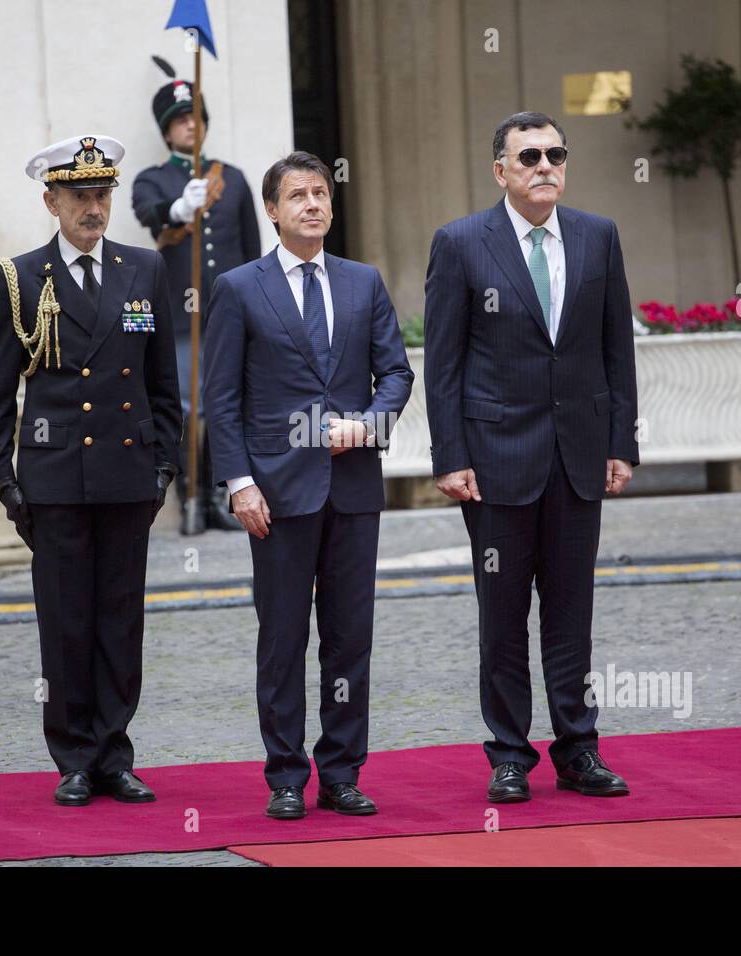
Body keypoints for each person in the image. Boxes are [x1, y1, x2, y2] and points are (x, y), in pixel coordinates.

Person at [423, 111, 640, 803]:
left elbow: (616, 351)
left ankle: (578, 749)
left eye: (555, 154)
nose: (545, 166)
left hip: (579, 457)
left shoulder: (597, 236)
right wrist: (449, 455)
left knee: (572, 612)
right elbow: (444, 363)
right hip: (494, 462)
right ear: (502, 171)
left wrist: (620, 441)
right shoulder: (460, 244)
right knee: (503, 615)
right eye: (530, 157)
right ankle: (510, 755)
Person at [203, 152, 413, 819]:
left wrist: (371, 424)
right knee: (283, 637)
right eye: (298, 195)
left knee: (350, 637)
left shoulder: (363, 283)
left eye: (321, 193)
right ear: (272, 210)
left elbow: (397, 374)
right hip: (278, 493)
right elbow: (221, 397)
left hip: (352, 490)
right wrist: (239, 484)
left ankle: (342, 772)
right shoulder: (239, 288)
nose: (313, 205)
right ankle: (286, 776)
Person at [0, 134, 182, 807]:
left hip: (126, 476)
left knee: (121, 619)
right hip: (56, 476)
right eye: (79, 196)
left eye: (102, 194)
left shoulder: (144, 269)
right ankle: (72, 756)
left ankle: (115, 754)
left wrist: (163, 468)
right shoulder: (20, 278)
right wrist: (3, 480)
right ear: (51, 201)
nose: (94, 207)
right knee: (66, 621)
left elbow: (162, 382)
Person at [132, 59, 262, 533]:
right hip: (177, 314)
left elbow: (252, 252)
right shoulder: (152, 179)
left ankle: (213, 494)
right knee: (185, 408)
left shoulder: (236, 178)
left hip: (227, 314)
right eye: (181, 120)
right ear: (167, 133)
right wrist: (177, 208)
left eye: (196, 117)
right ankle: (187, 497)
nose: (191, 125)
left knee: (227, 402)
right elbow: (147, 213)